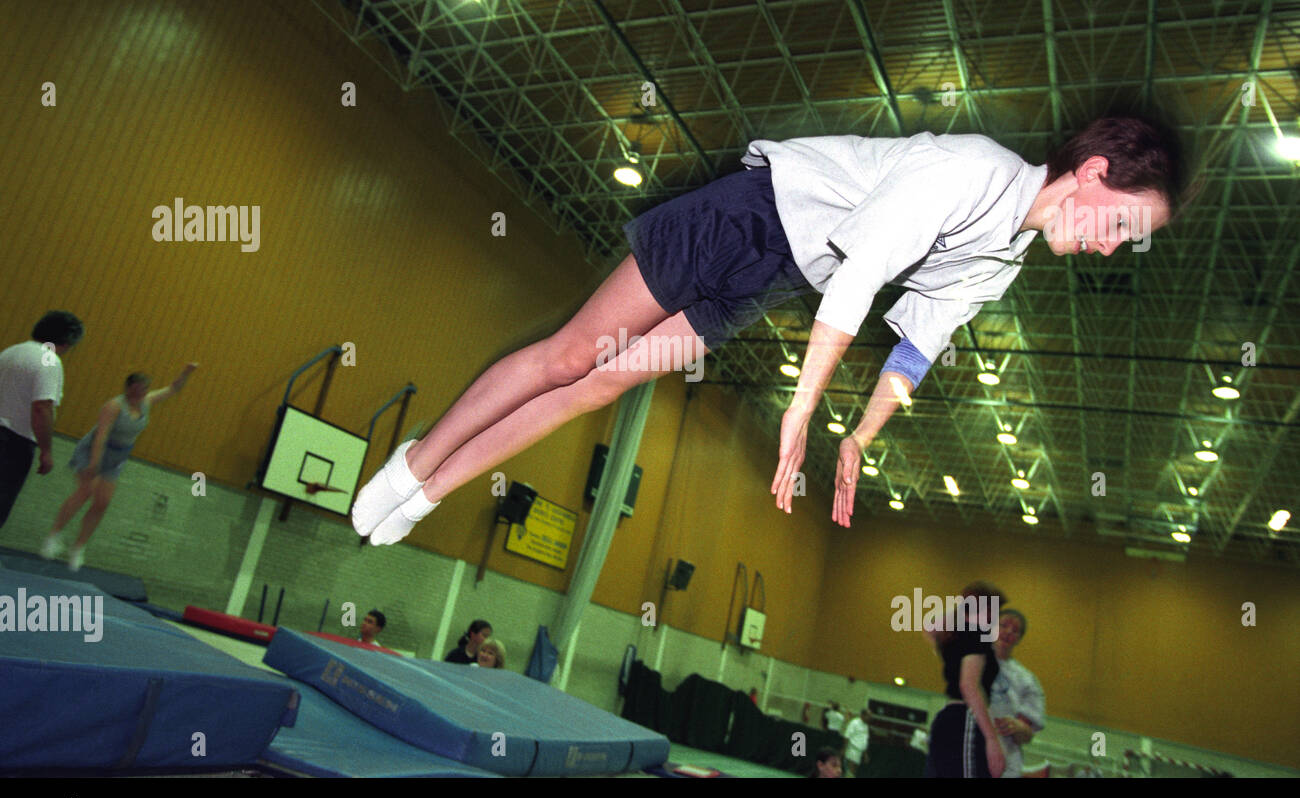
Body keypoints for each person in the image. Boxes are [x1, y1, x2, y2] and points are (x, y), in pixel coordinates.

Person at [350, 115, 1185, 544]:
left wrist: (858, 434)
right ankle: (415, 461)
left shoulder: (1002, 258)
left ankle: (429, 492)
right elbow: (861, 273)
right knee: (576, 354)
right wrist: (802, 403)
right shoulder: (973, 171)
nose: (1115, 245)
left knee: (597, 388)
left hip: (773, 277)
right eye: (1123, 223)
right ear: (1095, 172)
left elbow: (917, 344)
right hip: (748, 216)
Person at [40, 364, 197, 570]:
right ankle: (54, 536)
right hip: (95, 450)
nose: (143, 392)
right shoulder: (114, 406)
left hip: (118, 455)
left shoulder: (147, 402)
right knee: (85, 492)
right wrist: (94, 464)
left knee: (102, 502)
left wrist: (185, 372)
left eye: (145, 388)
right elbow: (101, 435)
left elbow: (173, 389)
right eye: (139, 388)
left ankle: (78, 547)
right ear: (129, 388)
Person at [0, 311, 84, 529]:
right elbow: (42, 408)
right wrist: (46, 450)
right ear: (67, 342)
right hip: (11, 444)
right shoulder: (49, 360)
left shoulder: (11, 352)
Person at [923, 581, 1004, 779]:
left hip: (950, 720)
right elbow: (968, 686)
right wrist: (992, 740)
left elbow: (928, 627)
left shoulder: (957, 636)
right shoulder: (976, 636)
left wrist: (961, 610)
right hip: (965, 721)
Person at [988, 608, 1046, 778]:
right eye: (1003, 625)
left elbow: (1026, 735)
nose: (1008, 632)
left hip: (1003, 764)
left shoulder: (1027, 681)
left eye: (1015, 630)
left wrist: (1019, 728)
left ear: (1019, 639)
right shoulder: (970, 664)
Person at [842, 708, 870, 777]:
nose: (870, 717)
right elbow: (847, 736)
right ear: (863, 715)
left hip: (859, 752)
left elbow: (864, 741)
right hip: (852, 750)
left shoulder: (866, 726)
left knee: (853, 774)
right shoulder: (854, 722)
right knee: (850, 772)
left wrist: (865, 754)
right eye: (868, 715)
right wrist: (844, 749)